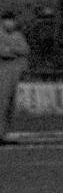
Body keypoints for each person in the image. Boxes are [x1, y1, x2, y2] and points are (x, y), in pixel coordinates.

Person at [0, 9, 28, 142]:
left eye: (12, 20)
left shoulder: (18, 35)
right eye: (7, 20)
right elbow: (2, 52)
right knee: (2, 103)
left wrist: (10, 49)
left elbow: (25, 49)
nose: (10, 23)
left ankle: (4, 133)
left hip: (13, 73)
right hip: (2, 71)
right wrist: (14, 51)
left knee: (10, 105)